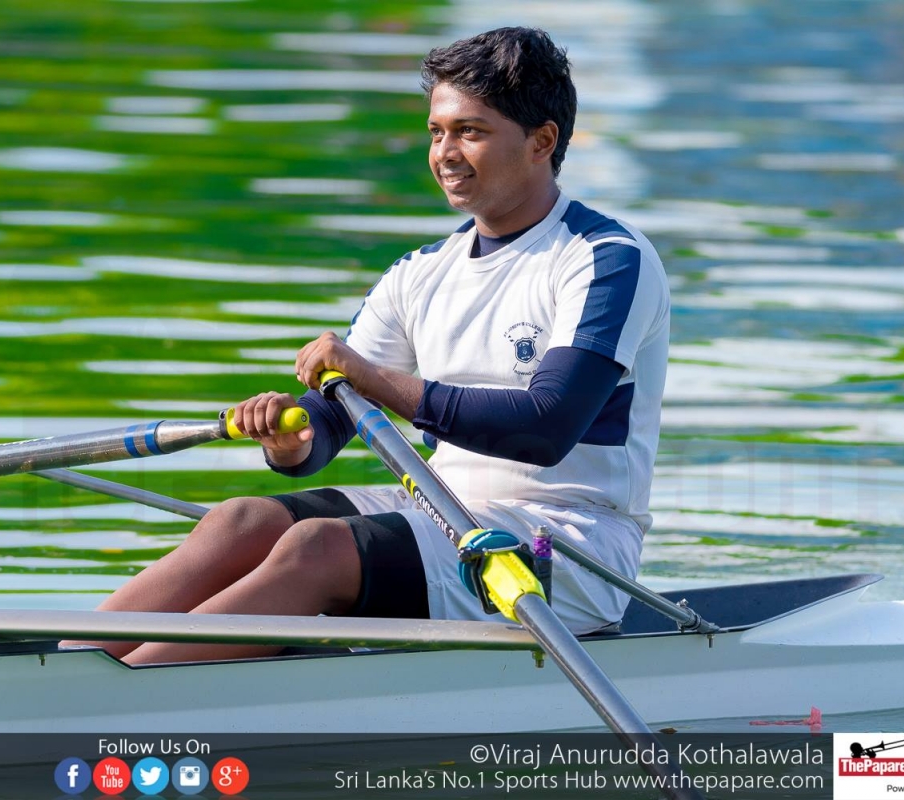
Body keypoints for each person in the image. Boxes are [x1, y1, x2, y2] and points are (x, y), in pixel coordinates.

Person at [81, 26, 669, 665]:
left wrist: (369, 378)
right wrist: (293, 441)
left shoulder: (605, 259)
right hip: (449, 512)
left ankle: (106, 700)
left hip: (570, 546)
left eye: (470, 131)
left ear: (542, 140)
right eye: (436, 131)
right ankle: (61, 662)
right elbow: (332, 418)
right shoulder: (419, 272)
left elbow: (545, 430)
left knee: (317, 549)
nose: (445, 152)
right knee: (240, 520)